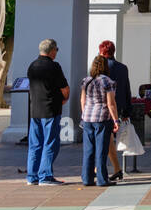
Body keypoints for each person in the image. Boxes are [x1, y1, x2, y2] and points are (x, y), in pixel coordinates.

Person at [27, 39, 70, 185]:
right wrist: (64, 99)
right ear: (52, 50)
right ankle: (45, 176)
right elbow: (64, 88)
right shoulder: (54, 66)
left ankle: (32, 176)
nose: (57, 52)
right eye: (56, 49)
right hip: (51, 109)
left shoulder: (32, 66)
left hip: (35, 111)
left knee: (35, 144)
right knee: (50, 143)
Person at [80, 55, 120, 186]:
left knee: (88, 149)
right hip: (102, 117)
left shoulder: (86, 80)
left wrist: (84, 113)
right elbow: (111, 103)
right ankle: (102, 179)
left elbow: (83, 100)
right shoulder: (107, 81)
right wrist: (116, 120)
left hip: (87, 117)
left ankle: (87, 178)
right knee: (101, 149)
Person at [98, 40, 132, 181]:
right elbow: (126, 89)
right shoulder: (123, 67)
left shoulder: (101, 68)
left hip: (104, 108)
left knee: (105, 139)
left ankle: (109, 169)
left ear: (101, 52)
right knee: (108, 139)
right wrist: (127, 110)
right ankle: (112, 168)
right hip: (119, 107)